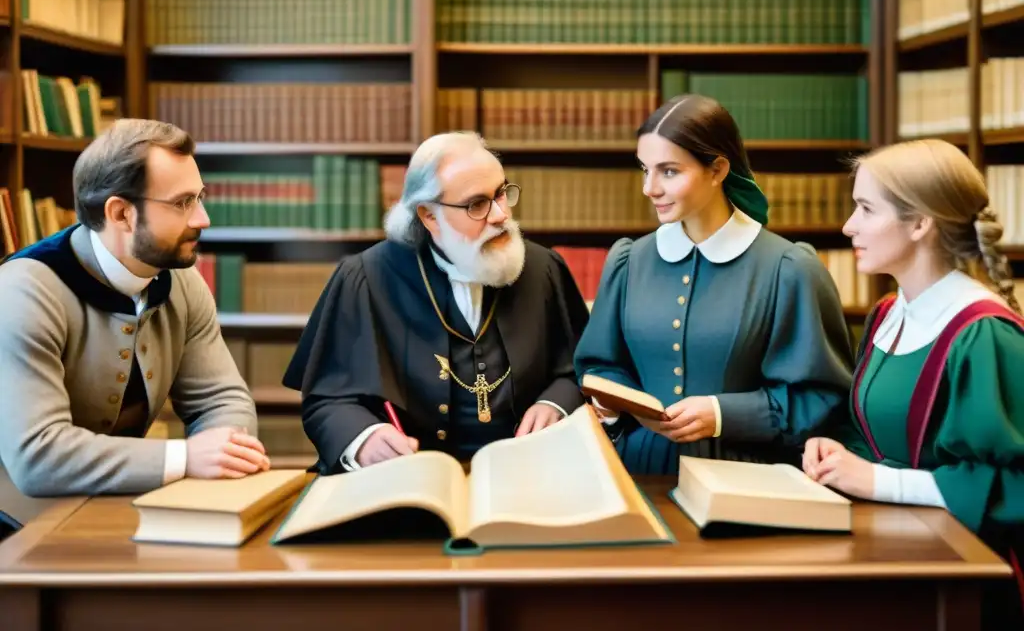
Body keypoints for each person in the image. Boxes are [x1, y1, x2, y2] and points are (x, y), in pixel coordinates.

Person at [802, 139, 1024, 628]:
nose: (848, 226)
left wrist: (878, 480)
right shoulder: (887, 314)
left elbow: (1011, 484)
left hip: (968, 579)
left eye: (865, 209)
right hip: (893, 553)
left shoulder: (983, 333)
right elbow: (877, 432)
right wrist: (840, 453)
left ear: (920, 223)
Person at [574, 94, 854, 476]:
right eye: (645, 169)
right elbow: (601, 365)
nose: (649, 188)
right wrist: (614, 405)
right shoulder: (628, 261)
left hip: (744, 480)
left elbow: (821, 397)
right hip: (636, 473)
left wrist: (723, 414)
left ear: (718, 169)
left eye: (669, 171)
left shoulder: (788, 269)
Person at [282, 131, 588, 471]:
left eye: (501, 193)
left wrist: (557, 403)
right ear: (429, 216)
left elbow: (583, 371)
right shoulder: (367, 279)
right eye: (477, 204)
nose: (500, 214)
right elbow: (326, 400)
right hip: (409, 484)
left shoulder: (542, 269)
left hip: (529, 475)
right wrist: (364, 437)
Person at [0, 120, 267, 501]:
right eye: (182, 203)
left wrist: (227, 457)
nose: (202, 219)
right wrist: (186, 457)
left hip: (121, 505)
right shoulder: (22, 292)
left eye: (200, 197)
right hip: (17, 522)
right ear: (121, 213)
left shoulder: (182, 282)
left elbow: (221, 401)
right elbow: (39, 455)